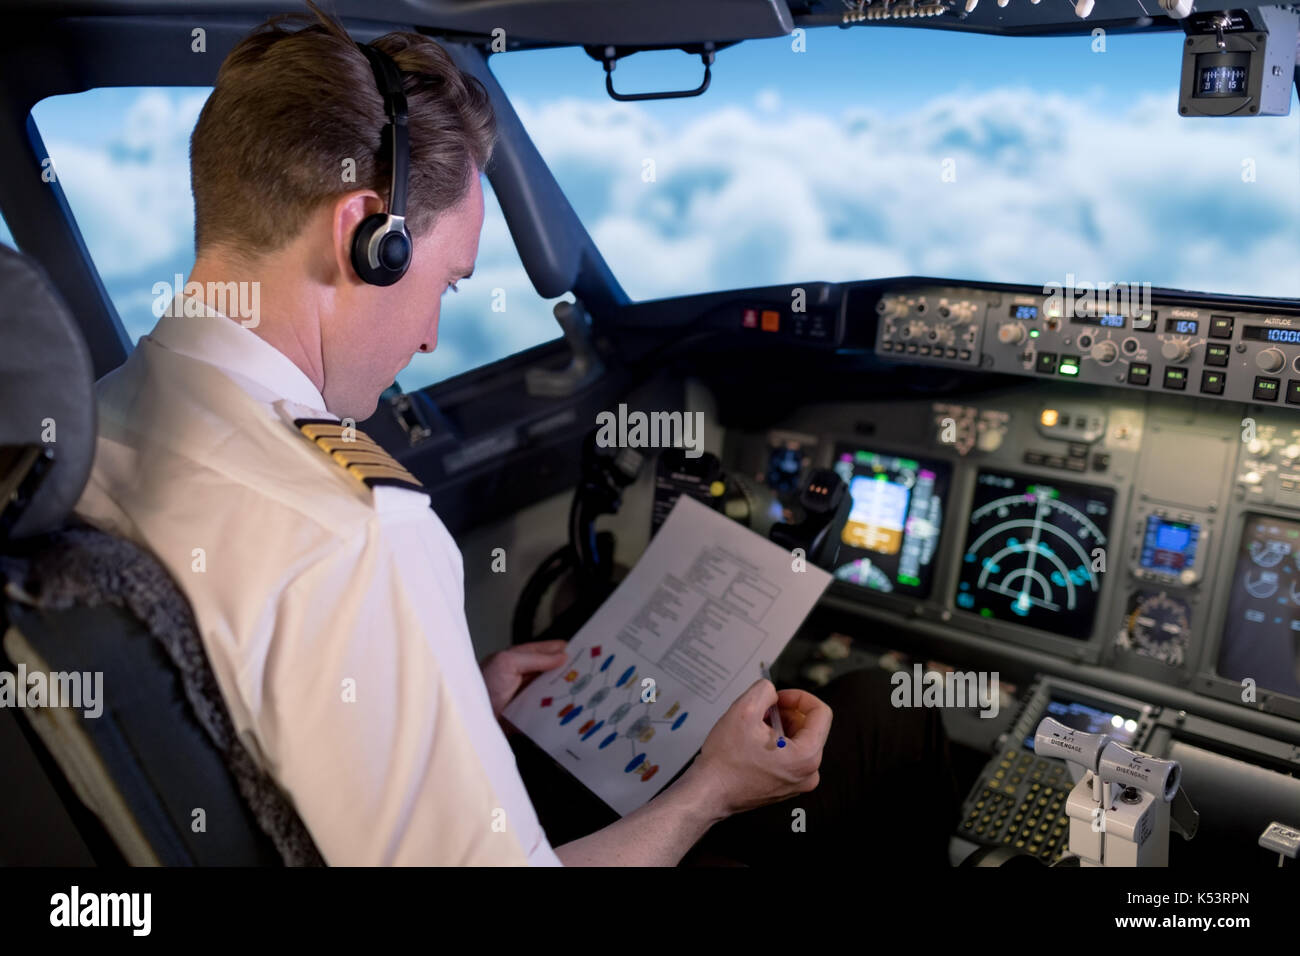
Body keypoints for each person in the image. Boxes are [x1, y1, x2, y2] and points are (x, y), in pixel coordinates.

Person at [73, 5, 844, 866]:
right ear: (367, 238)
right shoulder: (357, 536)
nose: (433, 336)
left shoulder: (93, 427)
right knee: (885, 726)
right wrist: (712, 792)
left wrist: (444, 707)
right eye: (446, 281)